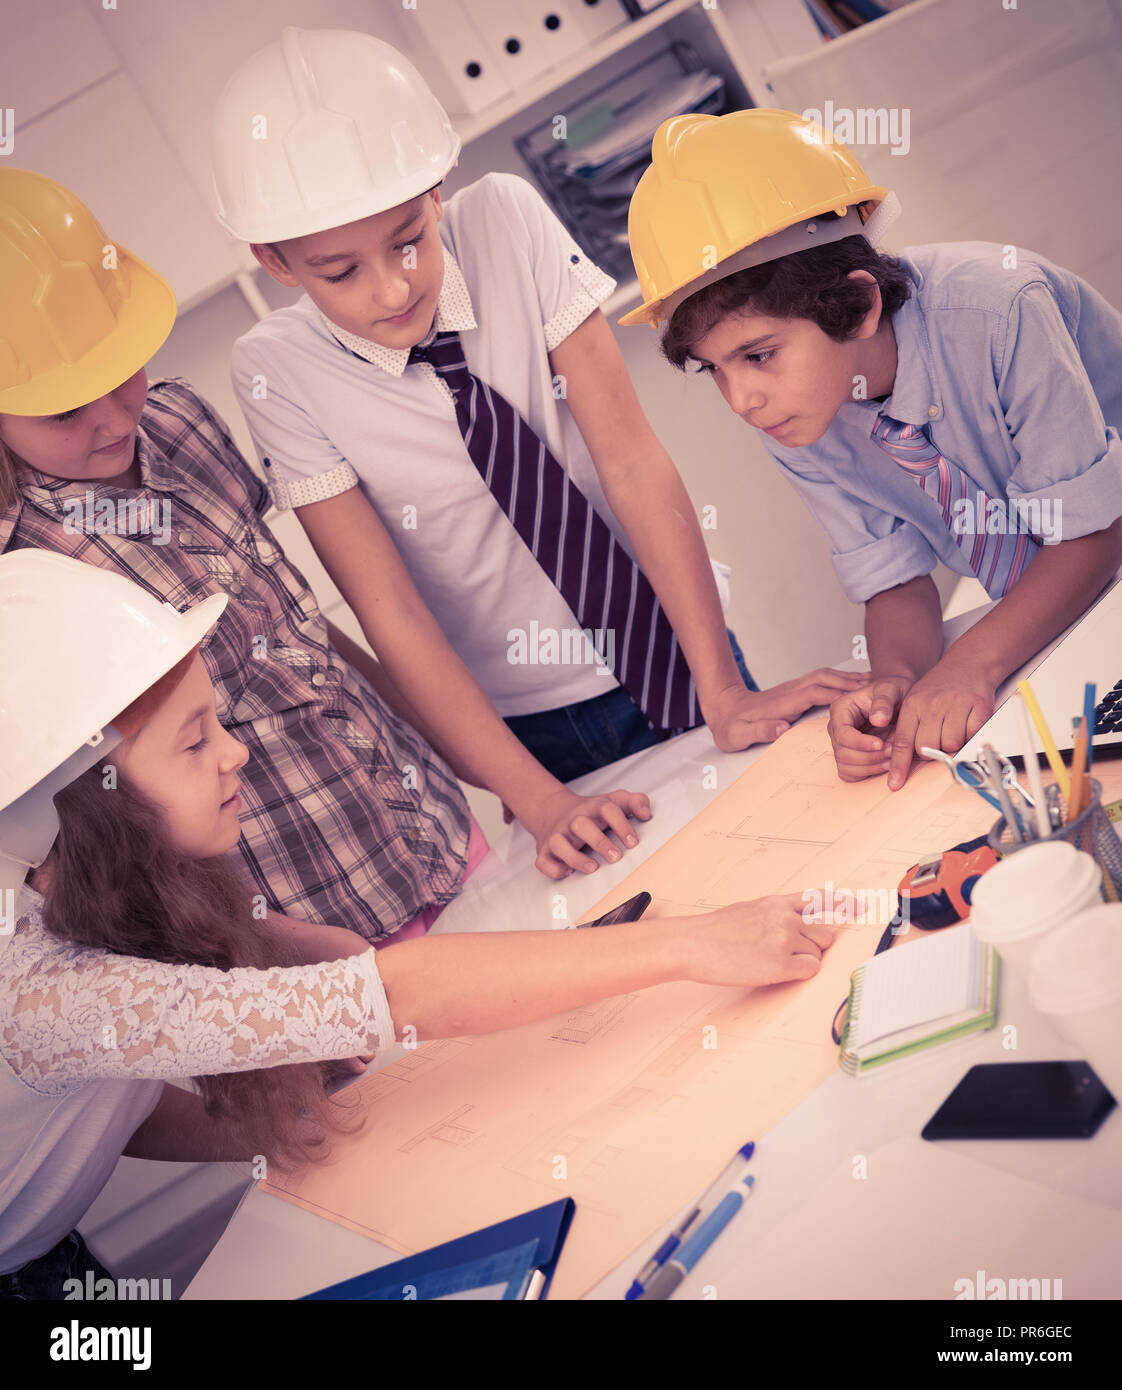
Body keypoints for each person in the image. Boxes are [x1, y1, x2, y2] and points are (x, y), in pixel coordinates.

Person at [0, 549, 837, 1298]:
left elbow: (118, 1102)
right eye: (193, 744)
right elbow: (394, 988)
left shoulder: (77, 890)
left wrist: (285, 1119)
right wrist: (694, 942)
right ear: (89, 806)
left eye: (217, 722)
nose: (236, 754)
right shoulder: (46, 992)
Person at [0, 167, 657, 948]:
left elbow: (305, 637)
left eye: (121, 374)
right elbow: (90, 840)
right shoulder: (23, 578)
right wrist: (267, 947)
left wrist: (506, 777)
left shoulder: (178, 419)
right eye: (66, 408)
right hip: (302, 920)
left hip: (428, 835)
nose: (113, 420)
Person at [215, 28, 865, 787]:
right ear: (276, 262)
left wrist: (720, 688)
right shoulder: (276, 372)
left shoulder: (504, 218)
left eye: (408, 241)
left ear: (436, 190)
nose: (393, 288)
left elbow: (630, 459)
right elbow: (387, 607)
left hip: (680, 645)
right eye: (339, 272)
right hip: (522, 731)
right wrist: (532, 798)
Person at [623, 109, 1122, 788]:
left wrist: (967, 666)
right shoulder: (797, 412)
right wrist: (896, 681)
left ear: (857, 306)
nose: (740, 399)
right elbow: (893, 580)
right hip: (1064, 621)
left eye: (759, 355)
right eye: (715, 369)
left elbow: (1094, 535)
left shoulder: (1000, 310)